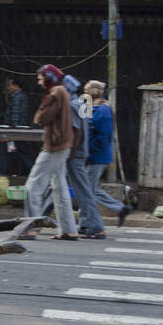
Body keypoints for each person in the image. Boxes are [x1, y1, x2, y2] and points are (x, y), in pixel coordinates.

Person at [21, 64, 77, 240]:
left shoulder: (54, 94)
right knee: (59, 188)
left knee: (33, 187)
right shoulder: (63, 92)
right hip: (64, 145)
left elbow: (41, 118)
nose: (39, 83)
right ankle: (69, 229)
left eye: (40, 79)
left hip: (54, 146)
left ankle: (31, 227)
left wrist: (43, 104)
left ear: (48, 78)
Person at [80, 80, 131, 236]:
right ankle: (117, 210)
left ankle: (87, 223)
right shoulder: (89, 106)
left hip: (97, 156)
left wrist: (89, 149)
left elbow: (104, 136)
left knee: (87, 190)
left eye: (86, 91)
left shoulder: (103, 110)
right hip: (89, 155)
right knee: (89, 189)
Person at [63, 74, 101, 238]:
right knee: (80, 189)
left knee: (83, 191)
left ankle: (95, 225)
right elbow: (88, 126)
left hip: (76, 153)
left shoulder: (72, 105)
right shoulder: (82, 103)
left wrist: (71, 151)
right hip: (82, 151)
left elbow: (77, 131)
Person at [0, 76, 34, 175]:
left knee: (9, 153)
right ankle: (2, 173)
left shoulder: (18, 98)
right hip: (16, 133)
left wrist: (11, 133)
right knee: (16, 153)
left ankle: (0, 174)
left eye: (10, 85)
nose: (9, 87)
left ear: (16, 86)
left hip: (15, 133)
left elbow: (15, 117)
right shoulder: (19, 97)